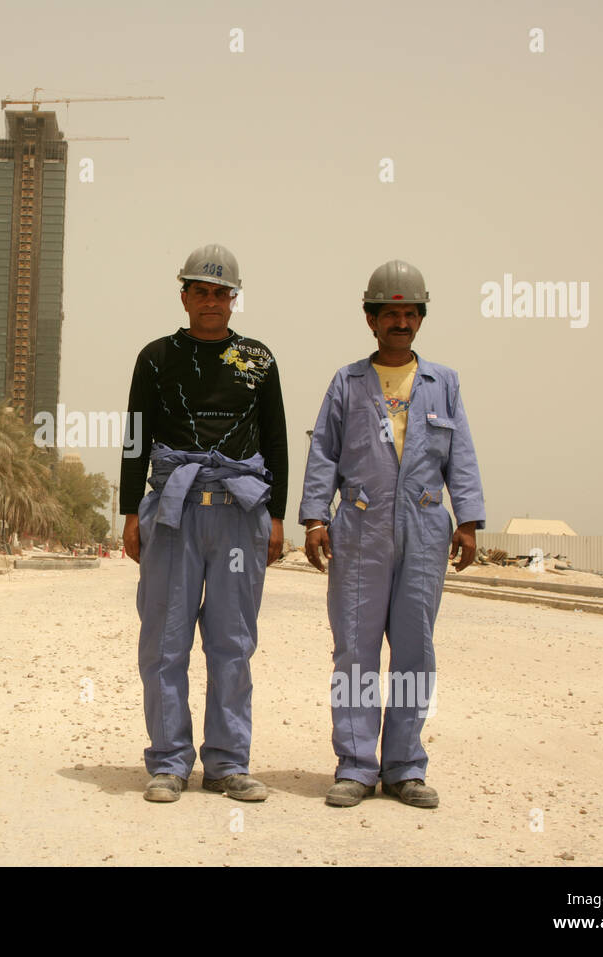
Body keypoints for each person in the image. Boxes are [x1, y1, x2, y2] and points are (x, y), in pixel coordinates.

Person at [300, 260, 484, 809]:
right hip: (359, 525)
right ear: (371, 319)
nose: (400, 322)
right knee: (353, 649)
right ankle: (355, 765)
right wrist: (315, 517)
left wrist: (468, 519)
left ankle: (405, 766)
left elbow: (464, 455)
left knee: (414, 651)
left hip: (426, 527)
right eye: (389, 314)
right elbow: (324, 451)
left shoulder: (443, 382)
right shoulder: (348, 381)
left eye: (409, 313)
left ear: (420, 319)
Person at [120, 243, 288, 803]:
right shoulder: (155, 358)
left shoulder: (258, 361)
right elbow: (135, 438)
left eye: (221, 293)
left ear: (234, 299)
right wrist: (128, 514)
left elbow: (276, 441)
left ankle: (226, 764)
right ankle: (168, 761)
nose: (211, 302)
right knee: (165, 642)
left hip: (240, 513)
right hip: (173, 512)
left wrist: (278, 518)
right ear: (184, 295)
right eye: (201, 291)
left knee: (232, 642)